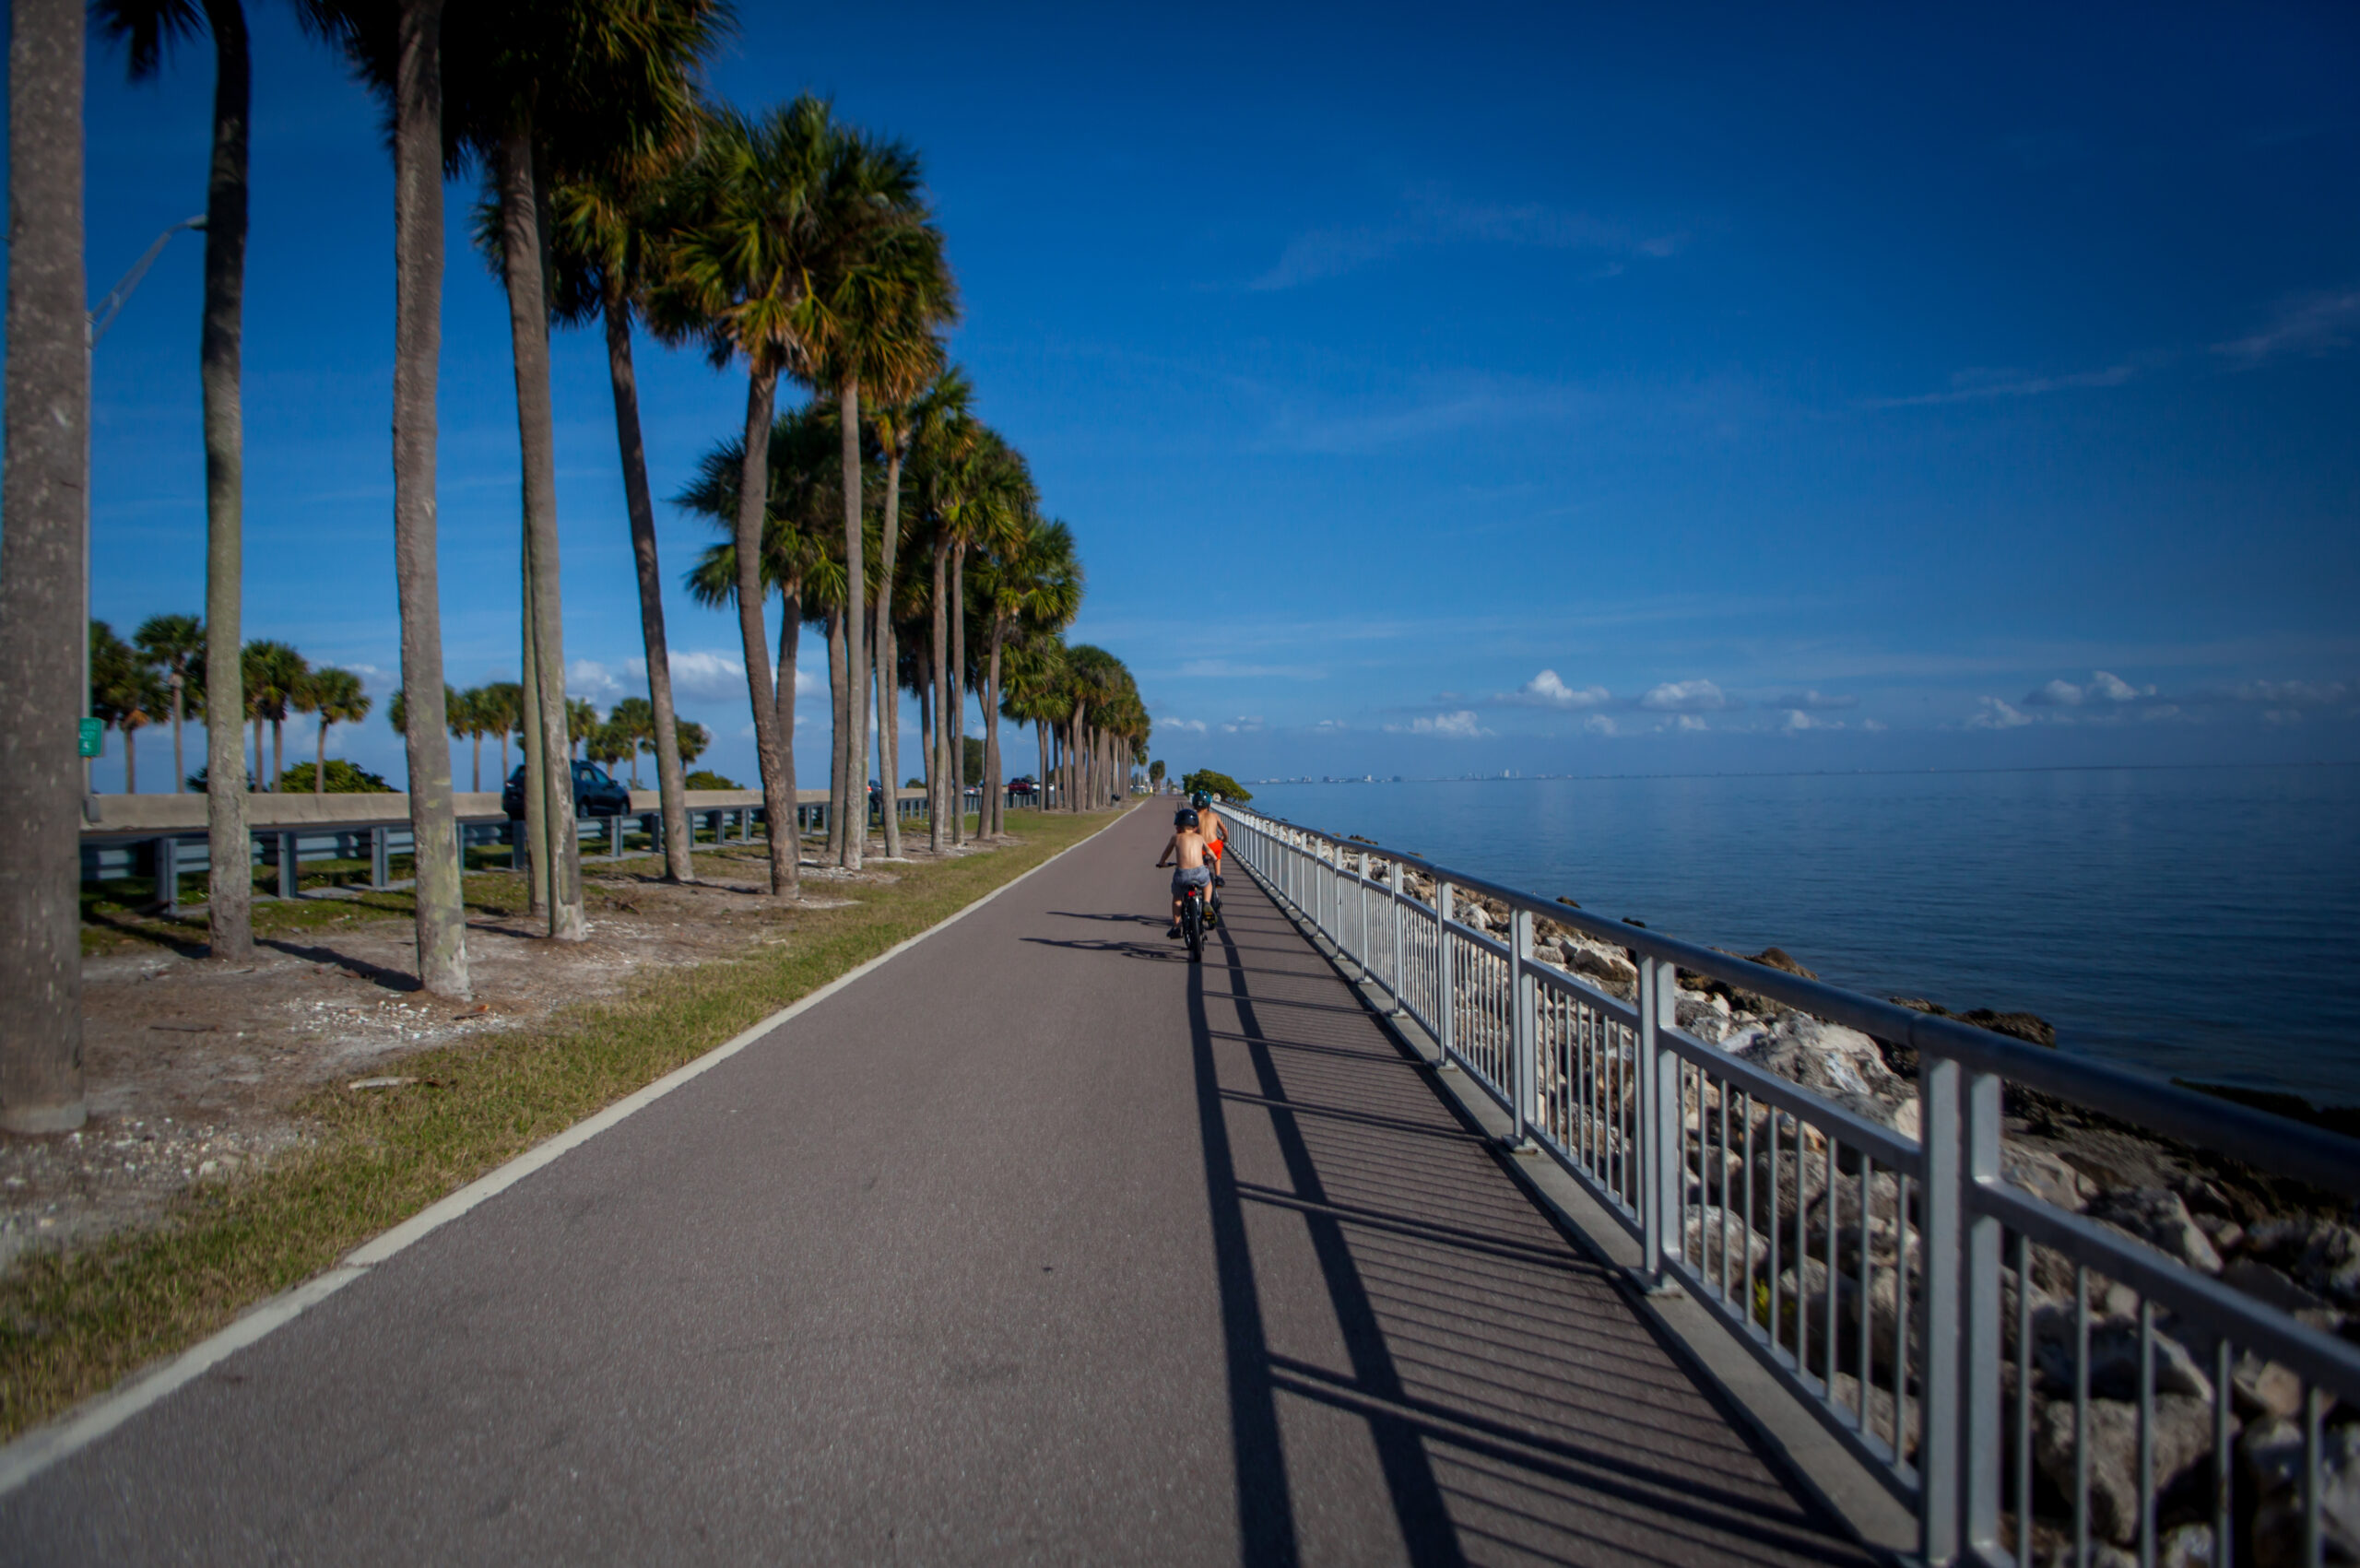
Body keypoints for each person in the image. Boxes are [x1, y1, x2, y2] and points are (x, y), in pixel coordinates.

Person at [1157, 807, 1212, 938]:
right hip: (1199, 872)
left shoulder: (1176, 837)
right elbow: (1209, 851)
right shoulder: (1199, 838)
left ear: (1179, 827)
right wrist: (1214, 858)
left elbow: (1166, 853)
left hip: (1182, 874)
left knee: (1177, 898)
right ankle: (1206, 903)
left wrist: (1162, 863)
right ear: (1195, 827)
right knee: (1208, 883)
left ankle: (1176, 927)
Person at [1191, 790, 1229, 927]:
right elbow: (1224, 831)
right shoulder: (1214, 815)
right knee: (1217, 853)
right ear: (1209, 804)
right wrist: (1224, 840)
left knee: (1197, 859)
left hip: (1201, 846)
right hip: (1213, 845)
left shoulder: (1194, 816)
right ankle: (1218, 875)